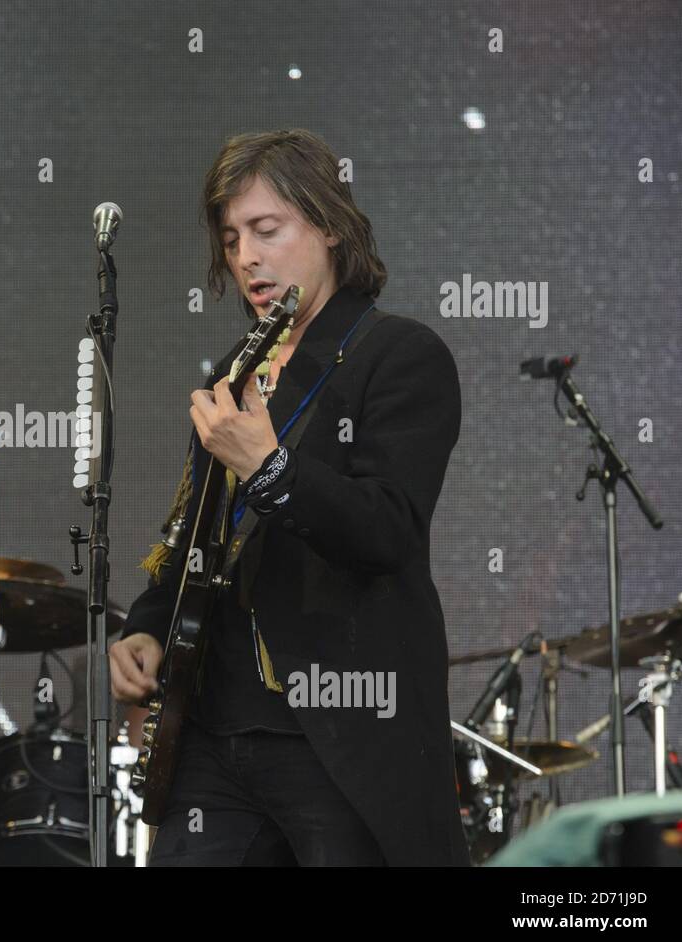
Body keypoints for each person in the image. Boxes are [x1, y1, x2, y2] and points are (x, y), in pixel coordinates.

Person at [110, 129, 470, 866]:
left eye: (267, 230)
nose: (246, 256)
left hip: (338, 733)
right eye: (232, 236)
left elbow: (387, 529)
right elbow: (193, 529)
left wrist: (271, 469)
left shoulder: (399, 354)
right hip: (212, 731)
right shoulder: (232, 375)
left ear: (329, 224)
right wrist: (148, 624)